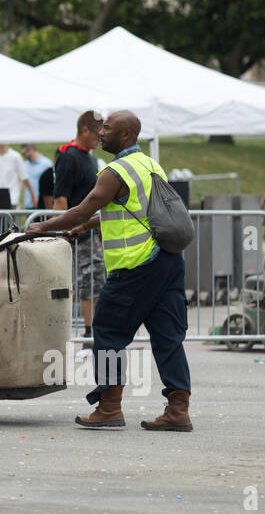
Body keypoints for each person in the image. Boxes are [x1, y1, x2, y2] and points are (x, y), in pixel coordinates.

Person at [27, 110, 193, 432]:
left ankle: (109, 407)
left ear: (127, 136)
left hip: (137, 265)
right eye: (101, 127)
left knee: (107, 331)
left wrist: (42, 228)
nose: (101, 132)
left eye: (108, 128)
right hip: (168, 262)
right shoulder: (149, 164)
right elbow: (123, 210)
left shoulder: (115, 171)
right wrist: (84, 228)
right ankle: (178, 410)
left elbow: (83, 207)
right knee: (167, 337)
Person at [53, 111, 107, 337]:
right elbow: (60, 200)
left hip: (90, 231)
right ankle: (88, 333)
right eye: (98, 132)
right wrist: (65, 232)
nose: (101, 137)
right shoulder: (68, 156)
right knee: (86, 284)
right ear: (84, 130)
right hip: (76, 233)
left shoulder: (89, 157)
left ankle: (94, 330)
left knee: (96, 281)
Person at [0, 143, 33, 210]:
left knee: (11, 219)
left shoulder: (15, 156)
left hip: (11, 198)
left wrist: (32, 195)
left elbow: (24, 177)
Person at [20, 144, 54, 210]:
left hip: (43, 203)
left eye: (24, 153)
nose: (24, 156)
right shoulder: (25, 164)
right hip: (29, 203)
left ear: (31, 150)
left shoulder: (47, 164)